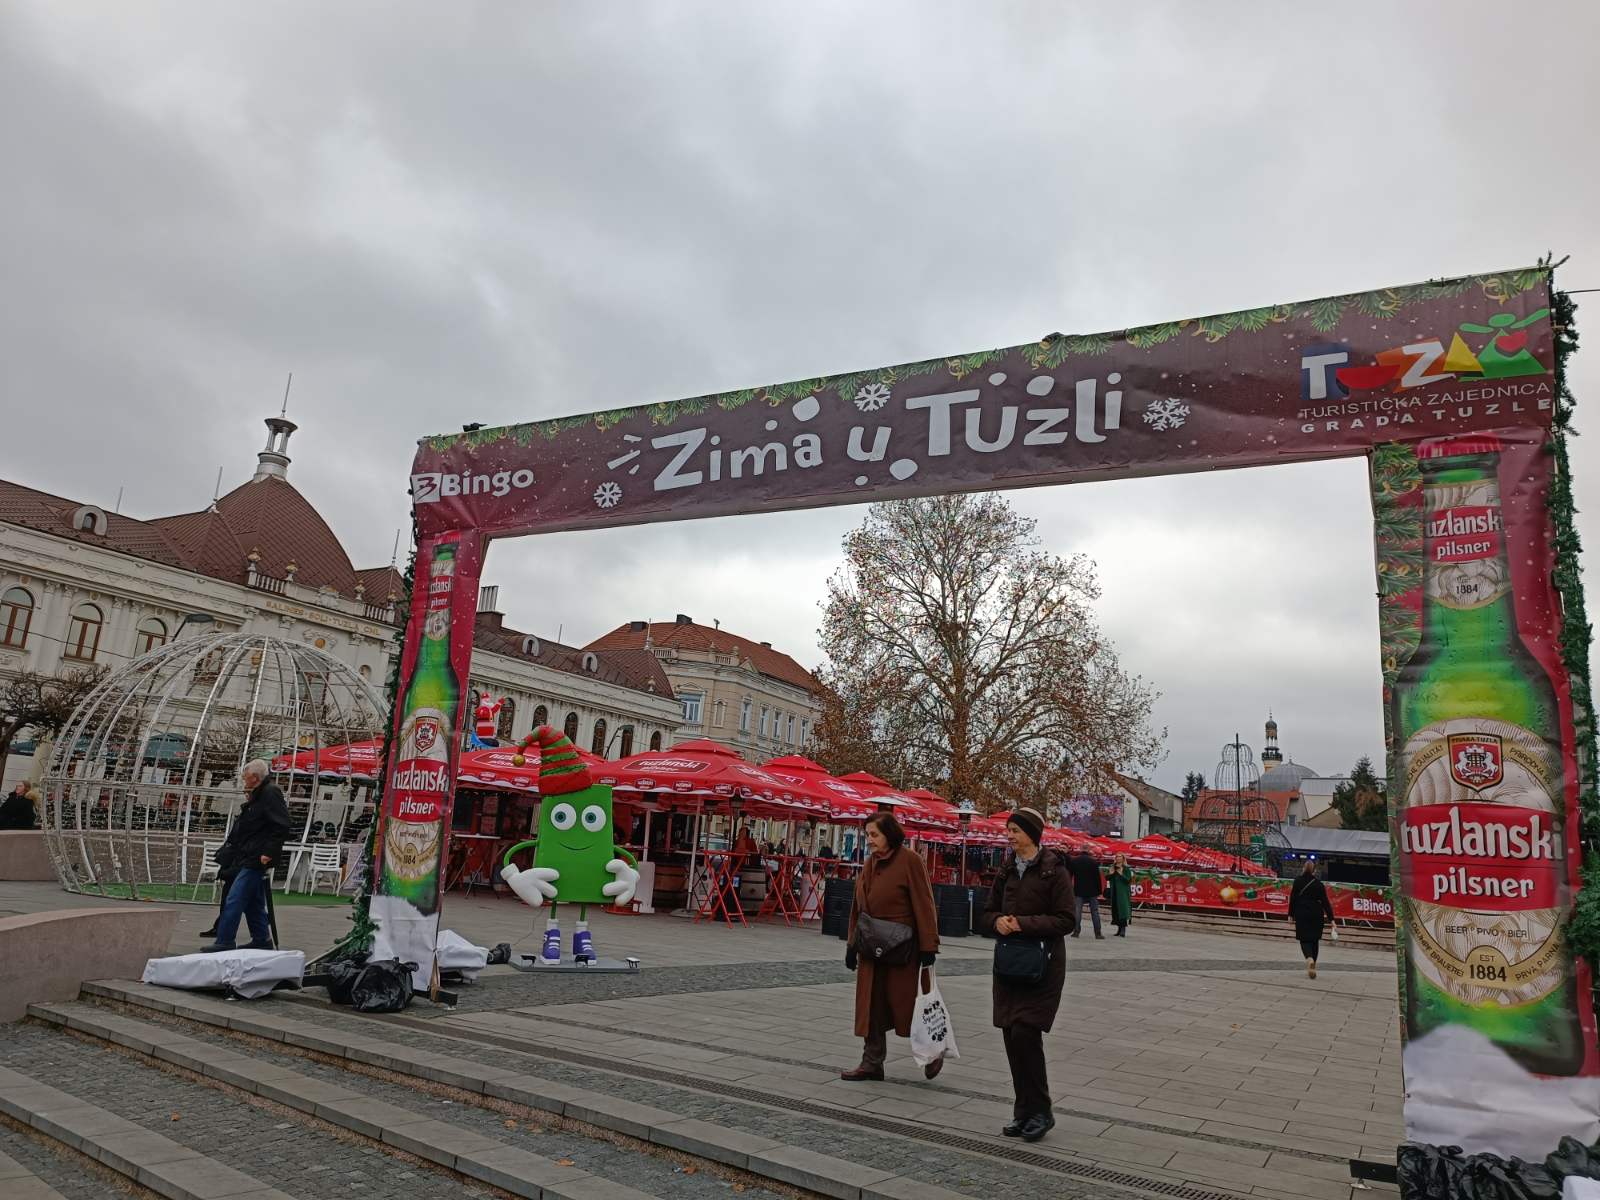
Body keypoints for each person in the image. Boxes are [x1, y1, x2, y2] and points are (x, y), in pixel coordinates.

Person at [977, 807, 1075, 1142]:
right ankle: (1023, 1112)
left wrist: (1022, 923)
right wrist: (997, 922)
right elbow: (987, 912)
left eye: (1015, 830)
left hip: (1042, 967)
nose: (1009, 836)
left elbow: (1066, 920)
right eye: (1008, 830)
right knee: (1011, 1037)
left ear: (1031, 834)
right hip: (1009, 966)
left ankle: (1041, 1112)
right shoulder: (1006, 869)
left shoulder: (1054, 870)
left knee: (1025, 1034)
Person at [843, 812, 941, 1082]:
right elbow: (858, 907)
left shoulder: (910, 861)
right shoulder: (868, 864)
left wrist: (928, 944)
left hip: (902, 947)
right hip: (871, 946)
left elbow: (924, 902)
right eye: (868, 835)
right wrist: (852, 944)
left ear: (889, 834)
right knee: (871, 1007)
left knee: (906, 1004)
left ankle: (933, 1051)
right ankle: (871, 1062)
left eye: (874, 835)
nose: (870, 840)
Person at [203, 760, 290, 953]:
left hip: (256, 856)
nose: (243, 779)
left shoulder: (269, 793)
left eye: (246, 776)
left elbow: (281, 825)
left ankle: (225, 939)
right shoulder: (259, 795)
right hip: (249, 853)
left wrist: (268, 852)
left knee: (236, 897)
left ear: (255, 777)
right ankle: (261, 938)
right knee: (253, 901)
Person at [1290, 859, 1336, 978]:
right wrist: (1332, 919)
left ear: (1303, 869)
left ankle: (1309, 959)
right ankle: (1313, 965)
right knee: (1314, 940)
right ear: (1314, 871)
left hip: (1302, 913)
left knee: (1304, 940)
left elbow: (1293, 898)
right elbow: (1325, 902)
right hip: (1316, 914)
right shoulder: (1318, 884)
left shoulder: (1297, 881)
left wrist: (1290, 914)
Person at [1067, 847, 1105, 939]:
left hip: (1079, 890)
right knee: (1095, 912)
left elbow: (1070, 875)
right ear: (1088, 852)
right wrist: (1099, 891)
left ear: (1081, 851)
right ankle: (1098, 933)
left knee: (1077, 911)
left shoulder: (1075, 861)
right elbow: (1097, 878)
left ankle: (1076, 932)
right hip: (1092, 891)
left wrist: (1069, 889)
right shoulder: (1093, 862)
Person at [1106, 853, 1133, 938]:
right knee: (1116, 910)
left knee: (1123, 910)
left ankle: (1123, 929)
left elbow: (1128, 880)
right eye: (1117, 857)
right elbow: (1107, 878)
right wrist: (1110, 873)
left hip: (1123, 893)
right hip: (1114, 891)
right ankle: (1118, 928)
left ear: (1123, 858)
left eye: (1120, 857)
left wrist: (1121, 873)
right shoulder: (1112, 867)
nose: (1118, 858)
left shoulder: (1126, 869)